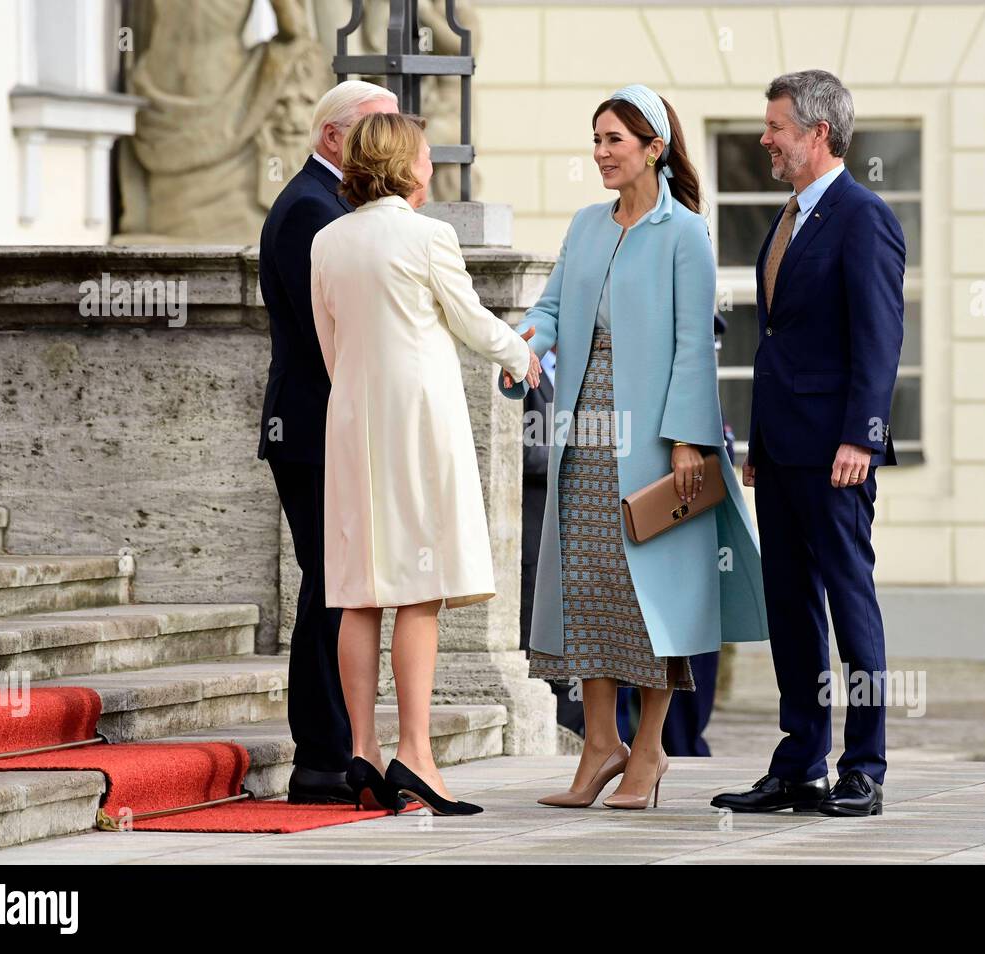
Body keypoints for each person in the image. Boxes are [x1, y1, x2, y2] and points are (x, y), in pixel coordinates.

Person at [500, 84, 768, 811]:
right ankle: (598, 746)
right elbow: (552, 306)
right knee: (587, 587)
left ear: (654, 148)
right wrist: (516, 347)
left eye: (614, 139)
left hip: (655, 440)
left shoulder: (686, 233)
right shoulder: (587, 225)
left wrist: (687, 440)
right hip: (583, 434)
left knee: (653, 598)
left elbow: (694, 343)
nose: (601, 153)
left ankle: (647, 748)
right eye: (596, 139)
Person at [310, 112, 540, 816]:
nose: (432, 167)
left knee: (357, 588)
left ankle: (362, 748)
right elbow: (470, 319)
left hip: (349, 419)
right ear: (405, 165)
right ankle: (416, 751)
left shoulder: (327, 240)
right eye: (426, 157)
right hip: (416, 419)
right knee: (417, 585)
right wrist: (520, 355)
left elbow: (329, 339)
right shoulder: (429, 234)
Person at [711, 70, 905, 819]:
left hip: (835, 455)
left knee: (851, 610)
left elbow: (880, 339)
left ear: (817, 132)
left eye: (775, 128)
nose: (765, 139)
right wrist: (758, 442)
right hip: (784, 454)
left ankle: (864, 766)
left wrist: (863, 435)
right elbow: (778, 343)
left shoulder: (864, 217)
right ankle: (799, 765)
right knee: (790, 611)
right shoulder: (788, 216)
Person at [256, 80, 397, 806]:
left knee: (338, 584)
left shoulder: (334, 201)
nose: (392, 143)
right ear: (336, 137)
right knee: (331, 587)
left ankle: (333, 750)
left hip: (326, 423)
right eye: (379, 130)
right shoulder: (312, 207)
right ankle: (321, 753)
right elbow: (331, 330)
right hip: (312, 426)